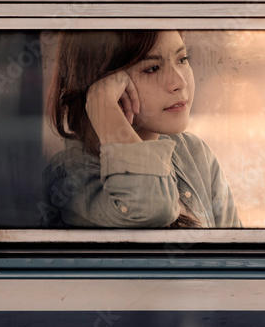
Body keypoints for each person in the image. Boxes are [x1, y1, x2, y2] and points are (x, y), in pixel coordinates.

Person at [42, 30, 241, 229]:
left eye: (182, 59)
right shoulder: (71, 175)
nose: (180, 83)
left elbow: (237, 252)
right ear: (104, 85)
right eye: (153, 68)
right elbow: (151, 209)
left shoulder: (194, 153)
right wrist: (101, 103)